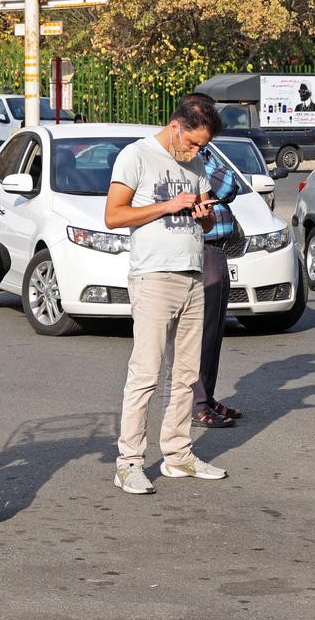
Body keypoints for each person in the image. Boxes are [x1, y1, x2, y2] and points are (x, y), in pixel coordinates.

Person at [104, 98, 227, 495]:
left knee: (187, 375)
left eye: (201, 147)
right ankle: (129, 463)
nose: (196, 152)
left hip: (192, 274)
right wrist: (167, 205)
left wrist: (204, 215)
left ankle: (177, 455)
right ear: (175, 126)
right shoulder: (136, 156)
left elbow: (206, 215)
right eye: (192, 143)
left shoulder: (194, 161)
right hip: (154, 277)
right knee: (146, 373)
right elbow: (114, 216)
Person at [182, 94, 245, 429]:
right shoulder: (191, 157)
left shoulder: (203, 153)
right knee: (201, 332)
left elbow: (232, 185)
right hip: (201, 249)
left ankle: (207, 395)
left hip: (217, 249)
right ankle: (197, 403)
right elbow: (226, 183)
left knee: (214, 331)